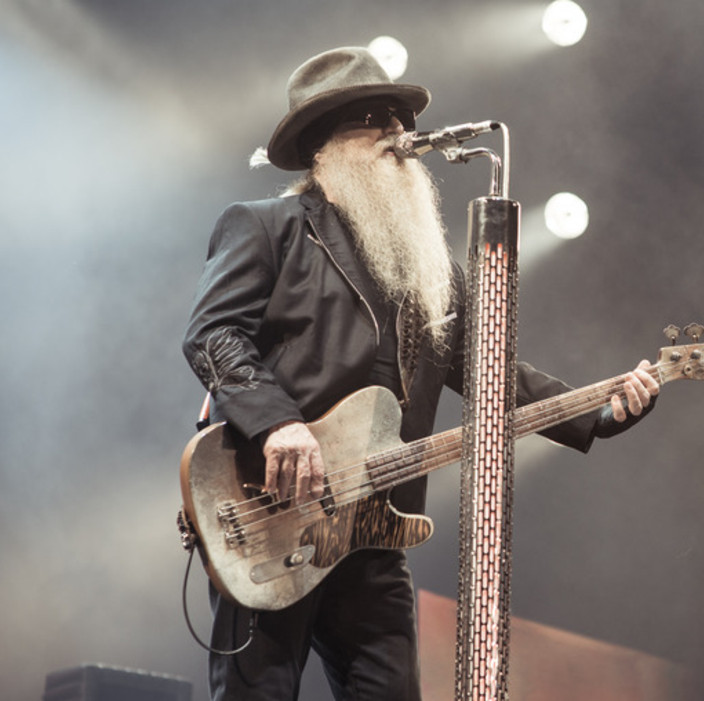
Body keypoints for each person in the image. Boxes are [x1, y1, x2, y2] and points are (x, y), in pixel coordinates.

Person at [182, 46, 658, 700]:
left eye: (399, 119)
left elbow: (494, 375)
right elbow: (211, 333)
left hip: (376, 534)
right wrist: (278, 425)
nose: (397, 135)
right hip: (274, 513)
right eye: (371, 119)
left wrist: (599, 408)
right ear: (322, 145)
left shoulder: (430, 273)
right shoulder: (270, 228)